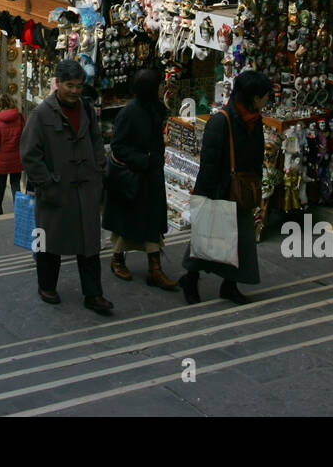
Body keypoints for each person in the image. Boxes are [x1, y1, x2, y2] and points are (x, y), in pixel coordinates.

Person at [19, 59, 113, 316]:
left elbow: (95, 141)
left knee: (90, 246)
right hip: (55, 191)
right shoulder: (41, 115)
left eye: (79, 86)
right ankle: (47, 286)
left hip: (85, 190)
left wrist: (98, 169)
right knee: (50, 244)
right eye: (69, 85)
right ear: (58, 83)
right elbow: (29, 154)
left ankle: (94, 294)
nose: (74, 91)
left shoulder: (86, 110)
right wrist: (47, 182)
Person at [179, 70, 272, 306]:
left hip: (241, 190)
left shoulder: (254, 119)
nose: (268, 99)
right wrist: (205, 197)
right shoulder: (221, 120)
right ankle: (190, 279)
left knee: (240, 240)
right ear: (254, 96)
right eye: (265, 95)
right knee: (206, 239)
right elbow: (209, 163)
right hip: (219, 191)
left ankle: (230, 285)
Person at [104, 68, 177, 291]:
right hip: (133, 178)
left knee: (151, 223)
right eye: (159, 85)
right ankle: (117, 259)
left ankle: (154, 268)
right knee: (126, 224)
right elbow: (118, 146)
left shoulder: (153, 107)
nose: (163, 87)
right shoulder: (130, 112)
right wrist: (144, 159)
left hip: (149, 176)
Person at [0, 94, 25, 216]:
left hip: (2, 158)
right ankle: (19, 210)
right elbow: (26, 135)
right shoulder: (19, 117)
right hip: (16, 156)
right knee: (15, 184)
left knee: (0, 184)